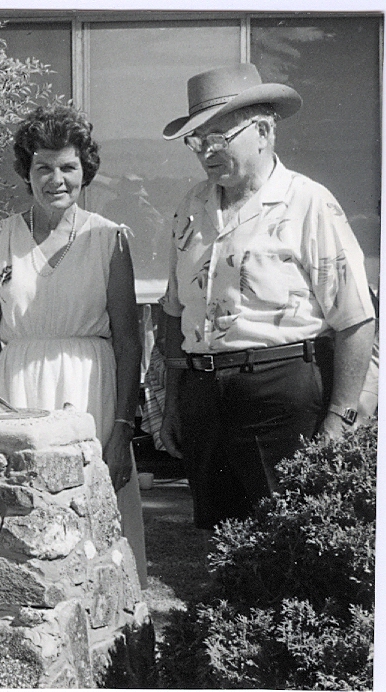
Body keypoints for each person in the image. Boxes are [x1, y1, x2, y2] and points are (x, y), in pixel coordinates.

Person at [158, 64, 375, 530]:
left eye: (218, 136)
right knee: (220, 539)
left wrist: (341, 418)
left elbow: (356, 318)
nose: (206, 151)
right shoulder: (190, 208)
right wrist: (174, 402)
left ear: (263, 132)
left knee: (290, 535)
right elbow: (175, 313)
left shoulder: (307, 203)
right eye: (197, 140)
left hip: (282, 393)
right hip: (204, 395)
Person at [0, 105, 148, 587]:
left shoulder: (109, 239)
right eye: (43, 167)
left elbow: (130, 342)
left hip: (90, 394)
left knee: (92, 529)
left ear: (84, 170)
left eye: (68, 167)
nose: (56, 179)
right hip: (17, 394)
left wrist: (123, 429)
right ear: (27, 171)